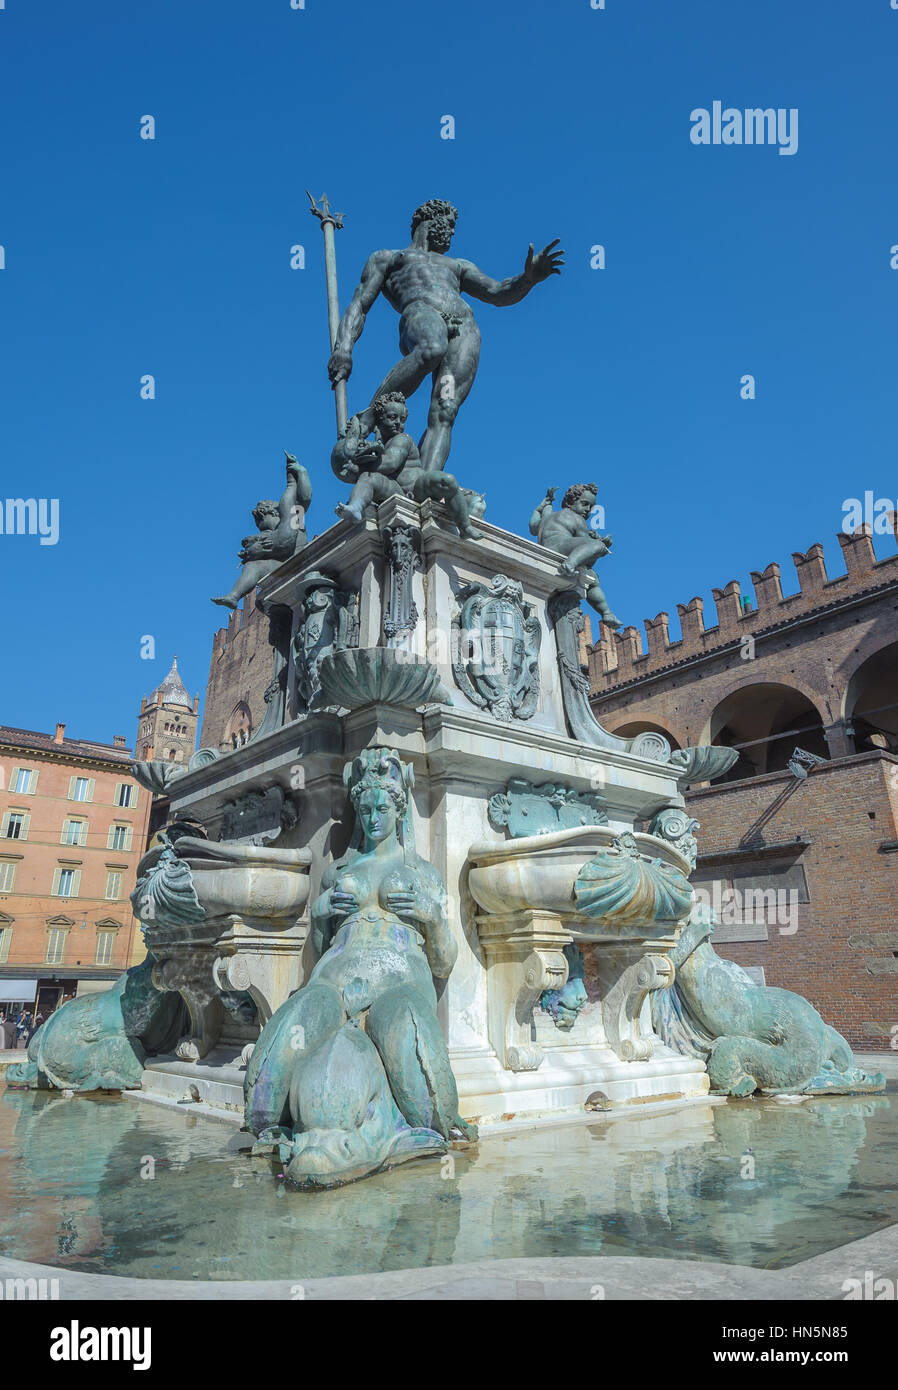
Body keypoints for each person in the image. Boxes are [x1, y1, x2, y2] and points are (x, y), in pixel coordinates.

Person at [328, 199, 563, 474]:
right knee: (431, 347)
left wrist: (529, 278)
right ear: (431, 219)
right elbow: (360, 304)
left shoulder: (458, 266)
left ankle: (423, 483)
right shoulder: (389, 258)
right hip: (421, 312)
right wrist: (344, 348)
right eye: (449, 224)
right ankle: (369, 418)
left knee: (445, 408)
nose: (452, 232)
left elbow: (498, 293)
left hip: (464, 327)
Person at [333, 391, 483, 538]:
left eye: (402, 419)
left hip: (418, 488)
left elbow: (391, 463)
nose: (398, 422)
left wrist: (358, 467)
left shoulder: (402, 439)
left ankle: (465, 526)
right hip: (397, 490)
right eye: (392, 417)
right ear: (379, 420)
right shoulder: (376, 446)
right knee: (368, 478)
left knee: (447, 481)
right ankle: (356, 506)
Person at [212, 453, 312, 610]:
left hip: (301, 564)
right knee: (254, 566)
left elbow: (304, 497)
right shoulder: (273, 531)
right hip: (285, 567)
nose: (262, 526)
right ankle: (233, 596)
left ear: (275, 513)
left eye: (264, 519)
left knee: (256, 566)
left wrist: (300, 474)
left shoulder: (295, 517)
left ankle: (234, 596)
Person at [530, 483, 621, 629]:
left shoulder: (548, 516)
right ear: (570, 502)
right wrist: (601, 543)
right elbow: (588, 553)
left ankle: (607, 613)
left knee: (591, 578)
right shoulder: (577, 519)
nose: (587, 510)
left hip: (545, 549)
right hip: (562, 549)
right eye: (584, 504)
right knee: (598, 550)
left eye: (590, 507)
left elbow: (533, 526)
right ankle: (606, 612)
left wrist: (541, 507)